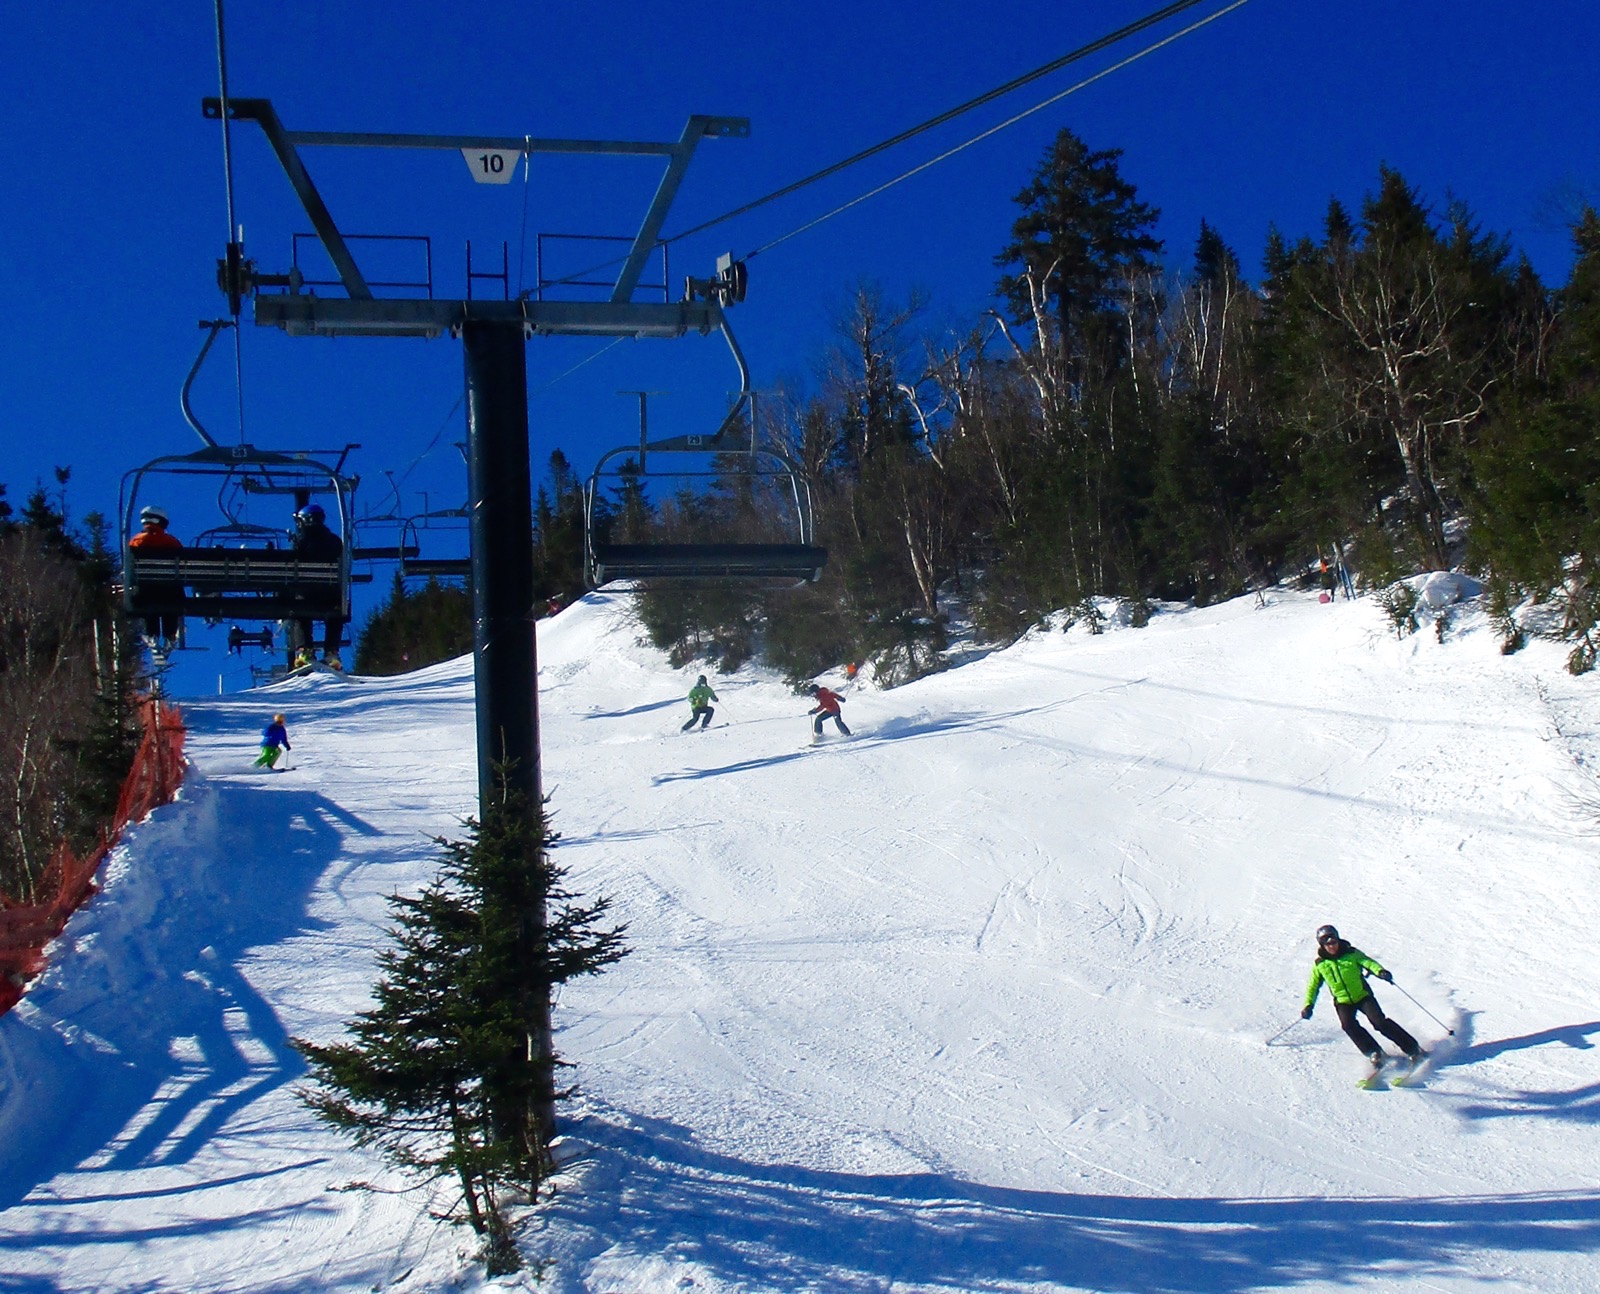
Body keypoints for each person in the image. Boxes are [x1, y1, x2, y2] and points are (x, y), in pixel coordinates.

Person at [1301, 924, 1424, 1066]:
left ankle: (1412, 1049)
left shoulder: (1351, 954)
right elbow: (1313, 986)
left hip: (1363, 996)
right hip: (1342, 1001)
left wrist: (1380, 971)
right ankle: (1374, 1052)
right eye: (1327, 944)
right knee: (1348, 1025)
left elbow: (1368, 962)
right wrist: (1308, 1005)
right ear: (1322, 945)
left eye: (1334, 942)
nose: (1332, 946)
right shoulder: (1320, 964)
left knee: (1379, 1022)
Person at [289, 504, 346, 666]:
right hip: (330, 594)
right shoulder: (335, 541)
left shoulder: (301, 542)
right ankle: (331, 651)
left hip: (306, 594)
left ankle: (304, 650)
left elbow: (293, 564)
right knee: (336, 614)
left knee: (300, 614)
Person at [127, 505, 185, 649]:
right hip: (170, 592)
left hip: (145, 592)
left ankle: (152, 633)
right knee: (171, 599)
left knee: (148, 600)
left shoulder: (136, 541)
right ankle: (170, 634)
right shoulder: (172, 542)